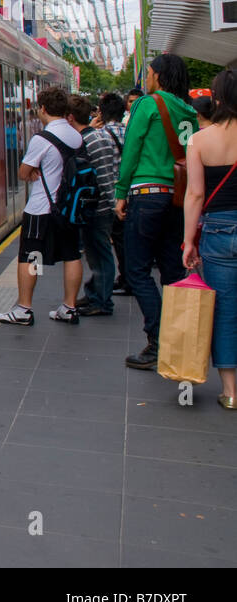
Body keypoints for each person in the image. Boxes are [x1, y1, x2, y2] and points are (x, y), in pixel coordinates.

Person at [115, 53, 198, 370]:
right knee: (173, 272)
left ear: (159, 76)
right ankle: (178, 342)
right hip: (176, 197)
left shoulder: (146, 104)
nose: (146, 78)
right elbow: (189, 155)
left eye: (148, 73)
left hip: (146, 194)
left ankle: (157, 341)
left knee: (136, 270)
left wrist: (120, 193)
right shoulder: (188, 110)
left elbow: (132, 148)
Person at [0, 86, 84, 325]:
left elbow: (23, 173)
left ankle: (24, 308)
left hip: (42, 208)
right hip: (69, 207)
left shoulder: (42, 138)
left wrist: (34, 169)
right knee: (71, 255)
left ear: (43, 109)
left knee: (32, 256)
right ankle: (69, 307)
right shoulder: (76, 135)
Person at [182, 69, 237, 409]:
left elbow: (195, 195)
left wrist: (189, 241)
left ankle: (231, 392)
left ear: (216, 99)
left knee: (225, 311)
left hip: (218, 232)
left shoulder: (200, 140)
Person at [68, 97, 118, 318]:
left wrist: (114, 205)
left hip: (100, 209)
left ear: (71, 117)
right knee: (94, 254)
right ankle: (95, 293)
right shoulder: (87, 137)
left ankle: (102, 301)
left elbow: (107, 175)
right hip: (92, 208)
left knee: (101, 254)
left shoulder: (94, 139)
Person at [94, 92, 130, 296]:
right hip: (130, 193)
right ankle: (127, 277)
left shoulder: (102, 134)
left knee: (115, 242)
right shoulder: (130, 131)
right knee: (125, 239)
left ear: (102, 112)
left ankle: (125, 279)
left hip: (112, 196)